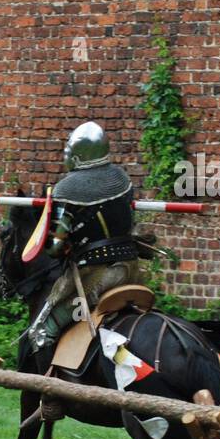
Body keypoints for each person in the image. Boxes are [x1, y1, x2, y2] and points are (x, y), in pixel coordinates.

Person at [27, 120, 146, 356]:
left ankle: (52, 389)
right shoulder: (121, 179)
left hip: (96, 276)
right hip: (131, 271)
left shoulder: (68, 189)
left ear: (78, 155)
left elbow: (54, 247)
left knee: (41, 331)